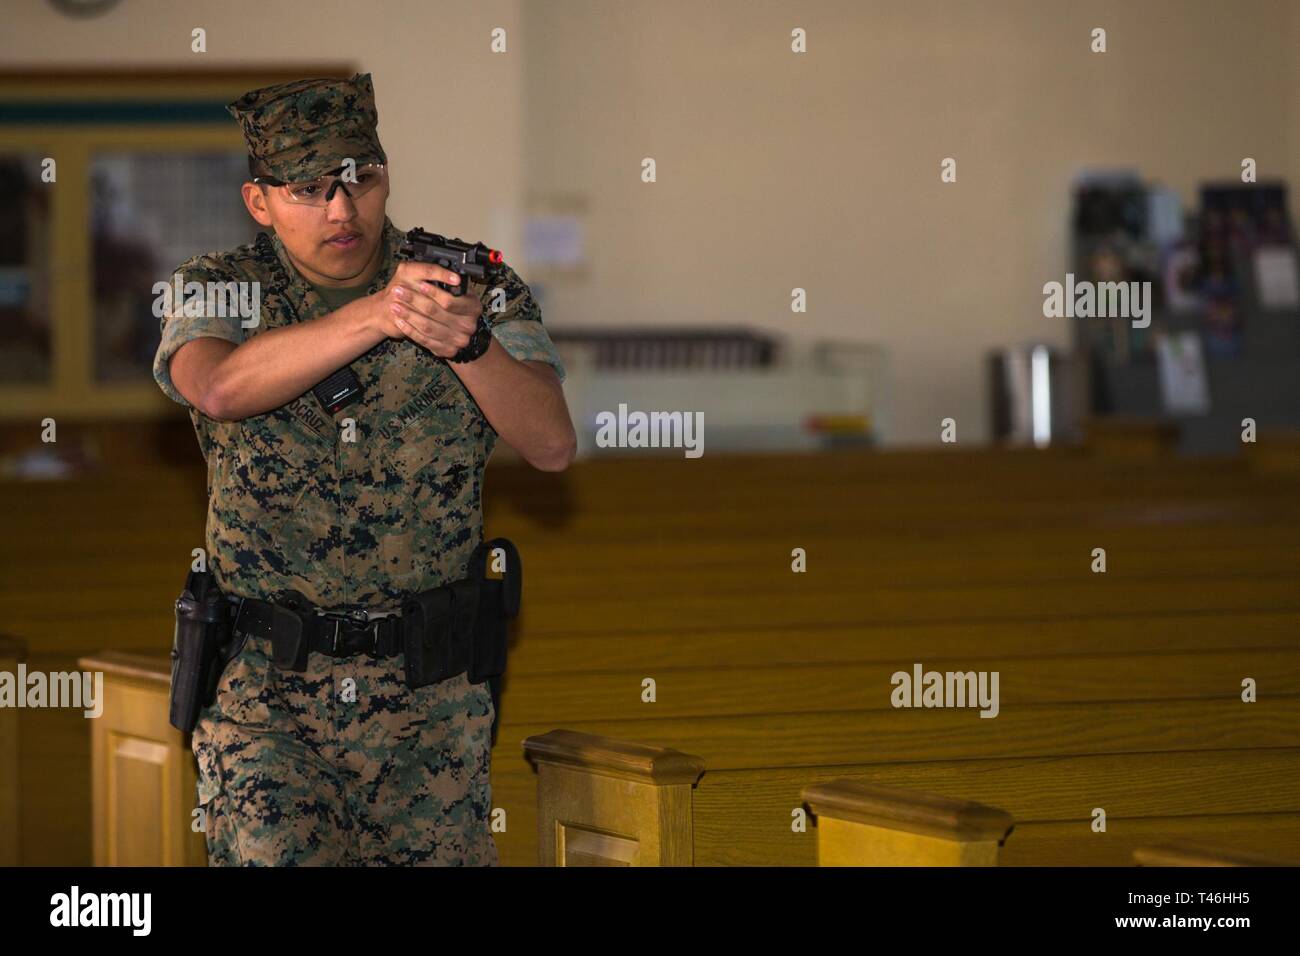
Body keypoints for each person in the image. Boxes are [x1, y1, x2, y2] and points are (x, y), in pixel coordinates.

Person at [152, 73, 575, 866]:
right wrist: (378, 314)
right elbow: (215, 385)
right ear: (260, 202)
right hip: (267, 702)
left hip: (431, 702)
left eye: (360, 181)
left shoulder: (470, 289)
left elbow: (552, 445)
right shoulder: (217, 288)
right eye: (310, 191)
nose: (342, 211)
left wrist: (470, 345)